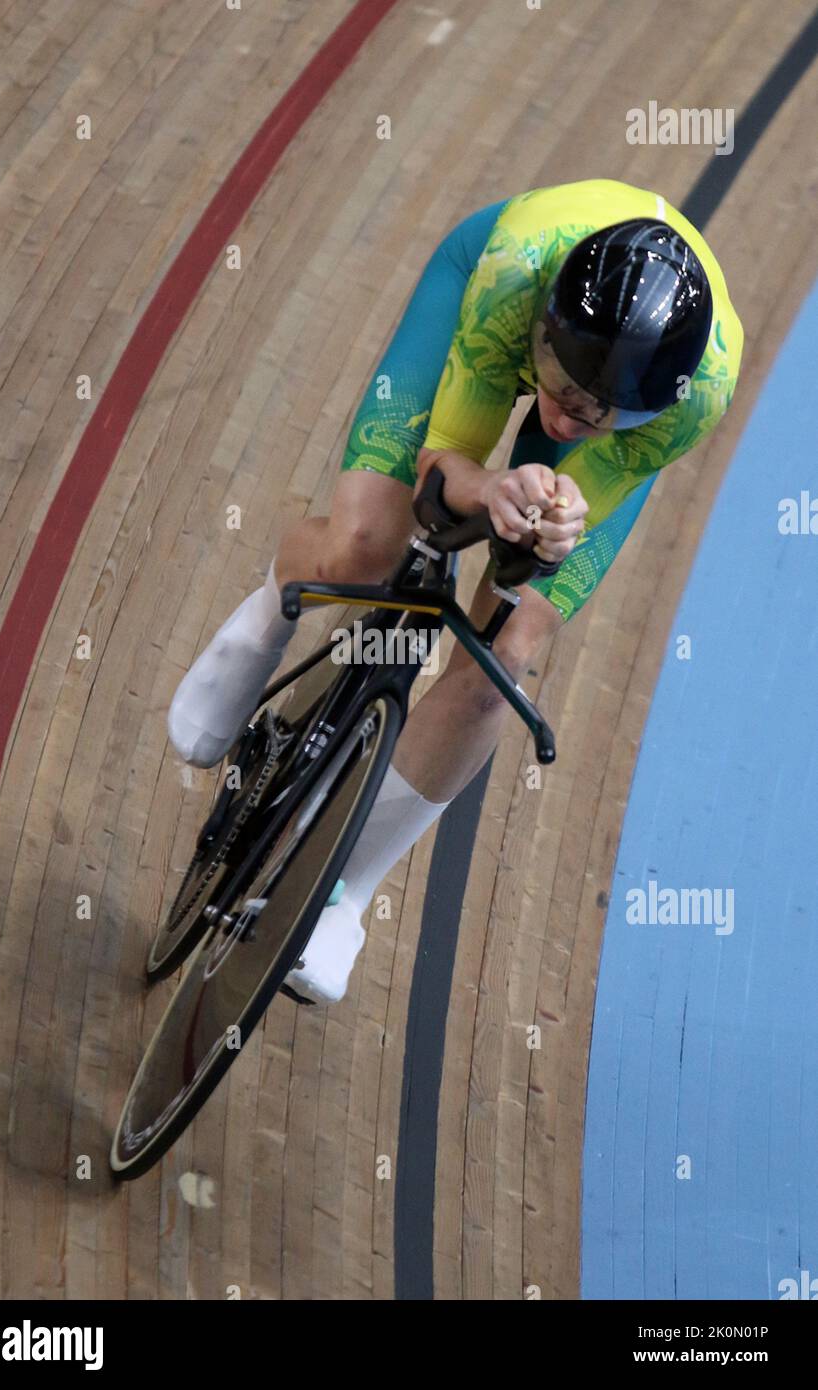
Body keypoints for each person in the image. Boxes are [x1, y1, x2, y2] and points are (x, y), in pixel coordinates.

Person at [168, 178, 743, 1005]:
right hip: (482, 302)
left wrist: (547, 525)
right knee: (367, 544)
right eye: (566, 387)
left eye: (604, 413)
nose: (575, 418)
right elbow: (443, 476)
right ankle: (262, 623)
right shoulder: (515, 277)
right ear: (547, 327)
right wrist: (486, 491)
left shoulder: (690, 404)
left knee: (505, 661)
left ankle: (346, 893)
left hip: (607, 391)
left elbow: (527, 562)